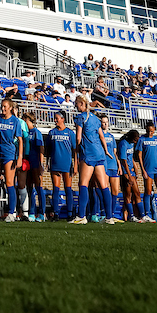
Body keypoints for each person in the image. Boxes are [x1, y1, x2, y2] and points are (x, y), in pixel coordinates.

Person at [72, 95, 114, 224]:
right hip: (100, 154)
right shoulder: (96, 119)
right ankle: (109, 217)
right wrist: (106, 150)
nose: (76, 107)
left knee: (83, 184)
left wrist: (76, 153)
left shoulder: (80, 118)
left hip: (88, 153)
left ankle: (81, 217)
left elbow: (78, 137)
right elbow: (102, 137)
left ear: (81, 104)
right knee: (104, 186)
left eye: (76, 104)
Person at [0, 98, 24, 221]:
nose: (3, 109)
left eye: (5, 106)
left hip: (9, 154)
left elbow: (20, 140)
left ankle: (11, 212)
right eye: (2, 106)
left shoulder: (15, 121)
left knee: (9, 183)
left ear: (11, 107)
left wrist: (20, 157)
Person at [45, 110, 76, 220]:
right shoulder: (51, 133)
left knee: (68, 188)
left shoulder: (70, 133)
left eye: (57, 118)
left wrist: (75, 165)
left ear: (63, 119)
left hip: (67, 164)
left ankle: (70, 213)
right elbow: (47, 149)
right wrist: (47, 162)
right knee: (56, 189)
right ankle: (56, 213)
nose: (55, 120)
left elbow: (75, 150)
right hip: (55, 164)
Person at [137, 123, 157, 222]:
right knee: (148, 191)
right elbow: (139, 155)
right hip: (148, 169)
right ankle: (147, 214)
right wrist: (143, 169)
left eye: (152, 131)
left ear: (154, 130)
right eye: (148, 131)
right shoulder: (142, 140)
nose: (150, 133)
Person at [22, 111, 45, 222]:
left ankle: (41, 213)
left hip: (35, 162)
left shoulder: (36, 132)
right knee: (29, 188)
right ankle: (31, 212)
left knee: (38, 187)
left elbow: (41, 149)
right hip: (28, 163)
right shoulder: (25, 133)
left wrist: (41, 164)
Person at [100, 114, 123, 221]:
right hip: (104, 165)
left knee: (115, 191)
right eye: (103, 122)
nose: (105, 124)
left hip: (113, 165)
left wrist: (119, 165)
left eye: (106, 122)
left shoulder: (111, 137)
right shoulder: (99, 135)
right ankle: (104, 213)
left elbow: (115, 153)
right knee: (105, 189)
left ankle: (112, 214)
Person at [117, 129, 143, 222]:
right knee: (128, 194)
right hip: (125, 172)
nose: (136, 141)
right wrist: (128, 174)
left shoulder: (132, 144)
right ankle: (131, 216)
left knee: (137, 193)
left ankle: (142, 215)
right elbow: (123, 160)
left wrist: (135, 167)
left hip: (131, 171)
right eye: (135, 139)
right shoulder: (123, 144)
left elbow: (130, 157)